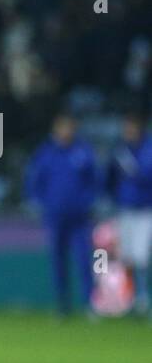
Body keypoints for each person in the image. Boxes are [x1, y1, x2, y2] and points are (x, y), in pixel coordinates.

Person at [26, 115, 99, 317]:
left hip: (80, 216)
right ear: (56, 129)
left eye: (69, 128)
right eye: (63, 128)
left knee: (84, 259)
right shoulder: (46, 153)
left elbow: (94, 180)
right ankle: (62, 304)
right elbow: (34, 181)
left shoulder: (83, 151)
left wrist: (89, 201)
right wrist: (38, 202)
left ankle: (89, 303)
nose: (67, 132)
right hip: (55, 215)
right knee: (58, 261)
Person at [107, 114, 152, 315]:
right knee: (127, 257)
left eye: (132, 128)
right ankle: (129, 299)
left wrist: (133, 167)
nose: (128, 132)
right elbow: (109, 177)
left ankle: (143, 298)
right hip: (125, 209)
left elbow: (145, 175)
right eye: (126, 128)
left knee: (142, 256)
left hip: (145, 210)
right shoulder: (119, 150)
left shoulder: (147, 149)